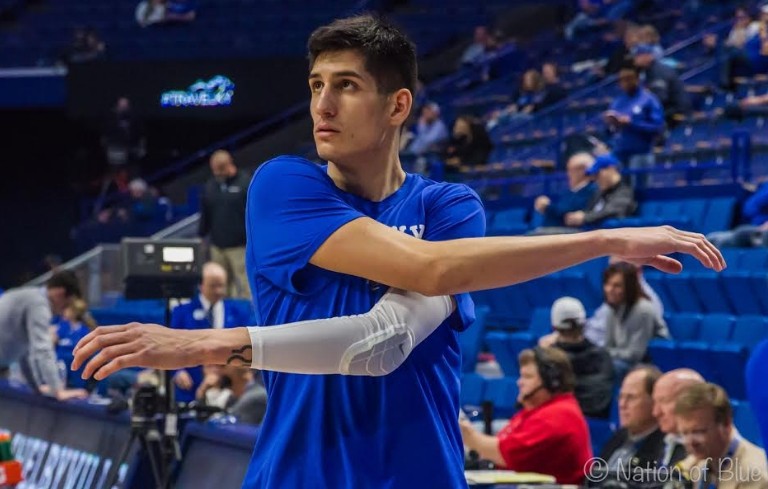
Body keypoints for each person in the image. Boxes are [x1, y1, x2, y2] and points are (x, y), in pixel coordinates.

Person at [72, 15, 724, 489]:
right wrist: (606, 240)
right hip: (302, 473)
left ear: (397, 105)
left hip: (420, 473)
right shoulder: (283, 186)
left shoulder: (450, 207)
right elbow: (423, 276)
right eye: (316, 84)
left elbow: (384, 340)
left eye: (347, 85)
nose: (323, 104)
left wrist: (204, 344)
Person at [459, 347, 592, 484]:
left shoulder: (557, 415)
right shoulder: (539, 410)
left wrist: (467, 433)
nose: (519, 382)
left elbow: (502, 455)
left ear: (553, 382)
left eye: (527, 377)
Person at [169, 262, 254, 403]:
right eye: (213, 286)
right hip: (190, 384)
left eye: (221, 286)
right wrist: (177, 371)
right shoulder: (182, 312)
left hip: (228, 388)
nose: (218, 291)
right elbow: (171, 346)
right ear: (201, 285)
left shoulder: (238, 312)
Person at [0, 271, 88, 401]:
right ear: (60, 294)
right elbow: (43, 349)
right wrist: (58, 390)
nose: (62, 311)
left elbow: (25, 353)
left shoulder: (27, 297)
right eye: (65, 305)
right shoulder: (38, 304)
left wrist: (36, 387)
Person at [675, 383, 768, 489]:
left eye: (699, 431)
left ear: (726, 423)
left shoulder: (756, 476)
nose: (690, 442)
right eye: (684, 433)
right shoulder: (697, 461)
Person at [538, 296, 614, 418]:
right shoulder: (603, 356)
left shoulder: (548, 359)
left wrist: (541, 354)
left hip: (559, 418)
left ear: (554, 327)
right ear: (584, 324)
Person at [601, 261, 668, 381]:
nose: (609, 289)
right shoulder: (611, 308)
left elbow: (634, 355)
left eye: (617, 286)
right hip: (621, 360)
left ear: (629, 288)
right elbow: (608, 346)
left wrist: (605, 353)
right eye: (607, 284)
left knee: (607, 368)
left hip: (647, 365)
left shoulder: (643, 309)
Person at [199, 150, 252, 299]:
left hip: (240, 246)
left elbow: (255, 215)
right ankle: (221, 312)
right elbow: (206, 213)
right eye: (214, 170)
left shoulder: (245, 183)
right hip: (217, 246)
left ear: (229, 165)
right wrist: (202, 235)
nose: (217, 173)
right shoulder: (211, 186)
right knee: (220, 286)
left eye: (220, 169)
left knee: (244, 284)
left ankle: (246, 311)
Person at [600, 365, 664, 472]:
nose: (622, 405)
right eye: (620, 397)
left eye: (631, 397)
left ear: (654, 401)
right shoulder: (617, 437)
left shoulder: (663, 449)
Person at [564, 153, 637, 229]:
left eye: (597, 174)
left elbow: (612, 212)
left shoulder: (624, 192)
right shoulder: (599, 192)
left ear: (611, 169)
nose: (595, 179)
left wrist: (585, 217)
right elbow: (590, 210)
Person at [652, 368, 705, 467]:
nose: (656, 412)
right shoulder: (663, 442)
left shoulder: (711, 450)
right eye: (655, 402)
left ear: (692, 402)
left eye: (664, 401)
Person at [532, 152, 596, 232]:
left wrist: (547, 206)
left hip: (572, 231)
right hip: (553, 230)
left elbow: (567, 210)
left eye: (571, 170)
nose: (568, 174)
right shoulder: (568, 192)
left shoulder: (592, 189)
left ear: (583, 171)